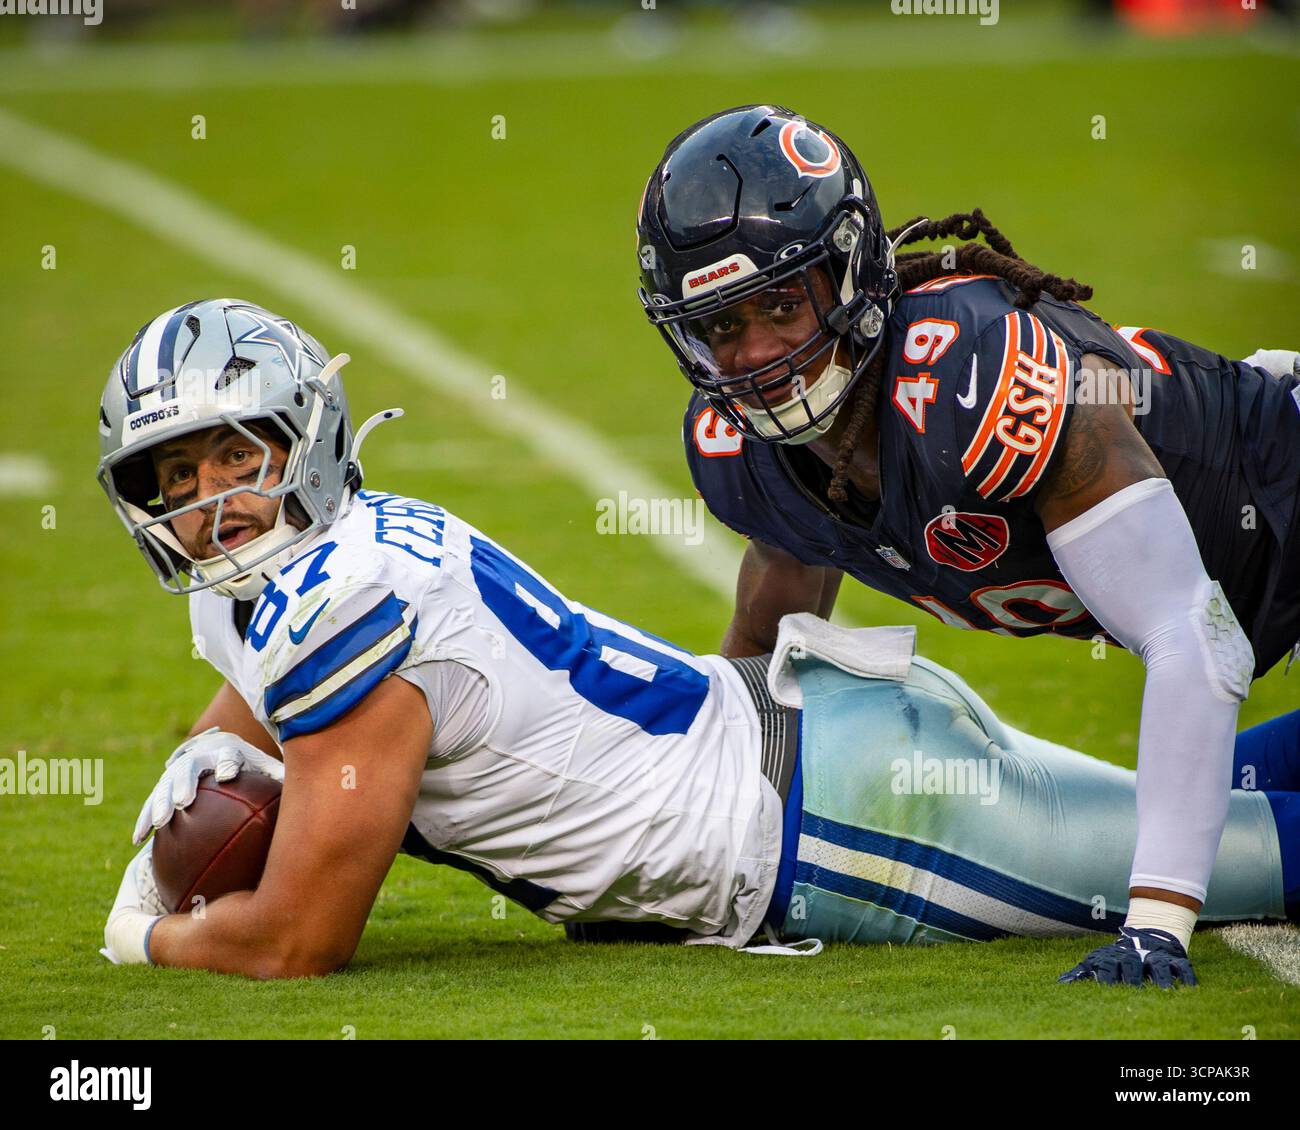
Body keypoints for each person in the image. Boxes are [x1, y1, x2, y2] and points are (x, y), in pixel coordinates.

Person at [98, 299, 1297, 984]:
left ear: (299, 442)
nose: (212, 503)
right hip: (813, 755)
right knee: (1198, 808)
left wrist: (147, 932)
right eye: (176, 476)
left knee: (1254, 861)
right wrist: (199, 766)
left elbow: (303, 935)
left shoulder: (334, 602)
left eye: (235, 459)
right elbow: (245, 722)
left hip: (834, 827)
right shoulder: (324, 560)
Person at [634, 104, 1300, 986]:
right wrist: (692, 832)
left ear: (851, 272)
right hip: (1265, 587)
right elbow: (759, 656)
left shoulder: (972, 372)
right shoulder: (748, 457)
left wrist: (1158, 923)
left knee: (1179, 841)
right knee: (1203, 818)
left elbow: (1190, 633)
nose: (757, 354)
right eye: (721, 325)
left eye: (782, 304)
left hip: (1278, 488)